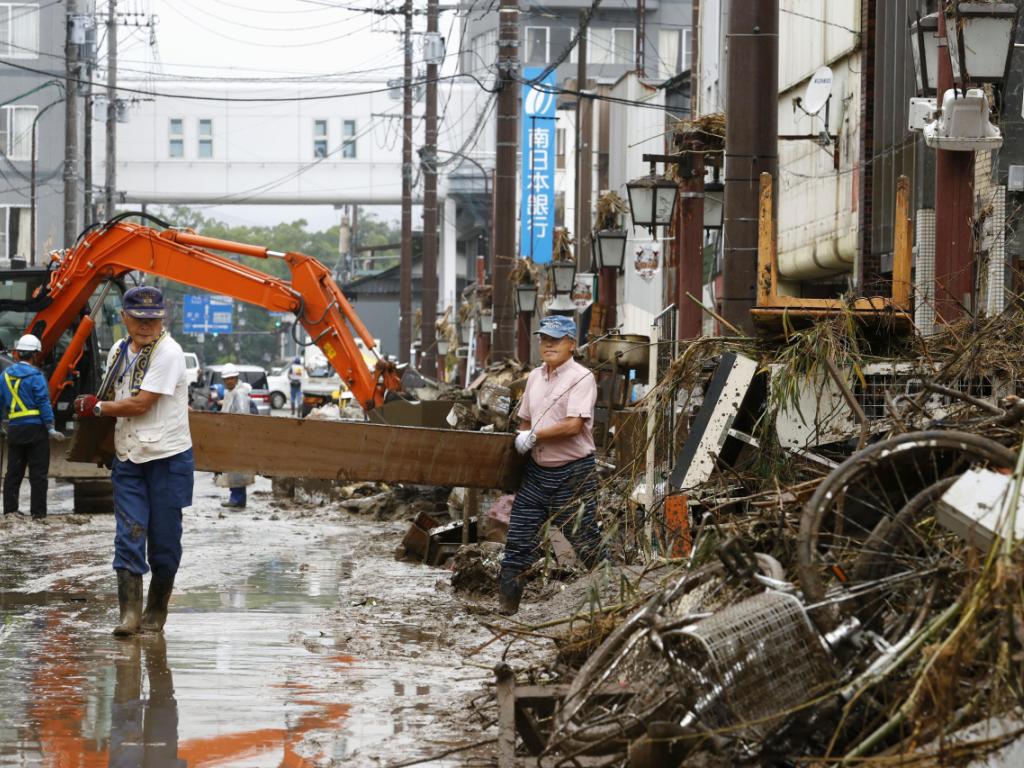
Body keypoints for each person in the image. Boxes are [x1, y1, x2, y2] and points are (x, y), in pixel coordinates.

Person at [74, 285, 194, 636]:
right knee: (129, 534)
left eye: (153, 319)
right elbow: (113, 395)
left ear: (163, 319)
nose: (146, 326)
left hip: (167, 460)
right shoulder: (118, 350)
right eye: (138, 319)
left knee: (164, 541)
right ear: (125, 318)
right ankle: (129, 614)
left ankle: (156, 610)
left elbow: (141, 404)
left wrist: (96, 407)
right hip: (128, 457)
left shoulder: (168, 353)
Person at [498, 315, 607, 615]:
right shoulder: (534, 377)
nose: (549, 345)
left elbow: (573, 426)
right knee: (518, 542)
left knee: (587, 543)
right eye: (544, 339)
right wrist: (523, 435)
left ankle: (613, 600)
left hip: (573, 474)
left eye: (556, 340)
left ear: (572, 344)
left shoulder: (581, 377)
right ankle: (506, 609)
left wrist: (533, 435)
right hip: (536, 472)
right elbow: (525, 420)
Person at [1, 334, 65, 520]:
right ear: (35, 355)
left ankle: (10, 512)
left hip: (15, 430)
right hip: (36, 430)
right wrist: (50, 426)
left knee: (13, 472)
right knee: (38, 475)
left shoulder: (4, 376)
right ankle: (38, 515)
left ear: (18, 353)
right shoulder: (36, 376)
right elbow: (43, 402)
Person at [215, 363, 255, 509]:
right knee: (233, 470)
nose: (229, 381)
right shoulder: (231, 393)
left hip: (237, 436)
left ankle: (237, 499)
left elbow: (241, 416)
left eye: (231, 378)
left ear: (236, 378)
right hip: (232, 436)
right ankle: (236, 497)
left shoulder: (240, 393)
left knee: (237, 470)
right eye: (226, 379)